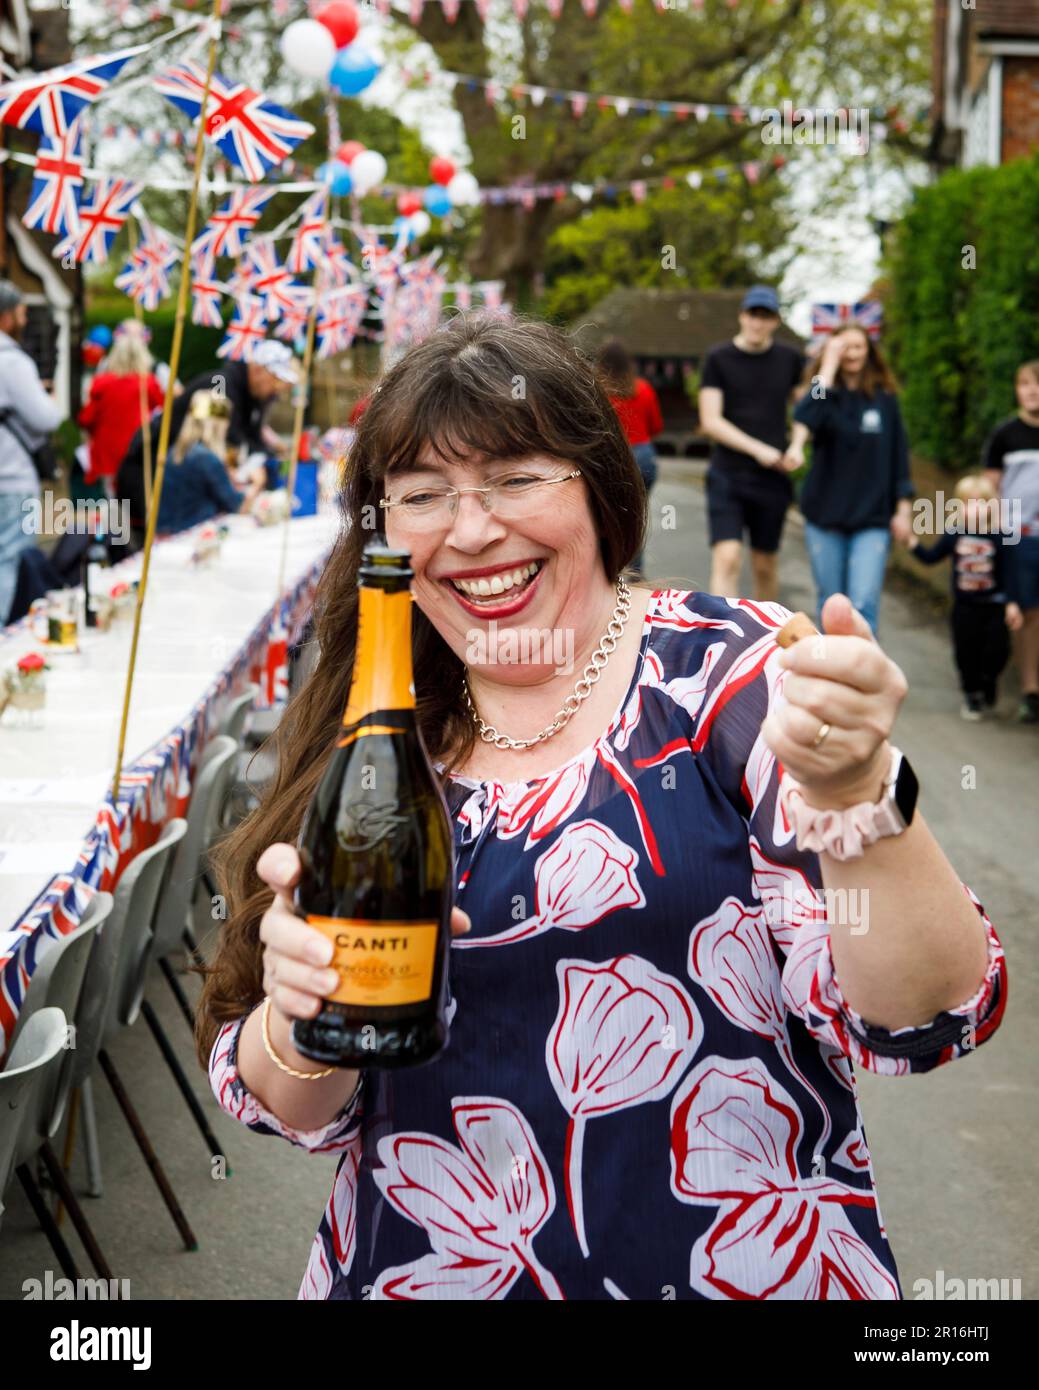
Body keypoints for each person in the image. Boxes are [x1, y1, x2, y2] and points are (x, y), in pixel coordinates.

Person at [194, 314, 1005, 1302]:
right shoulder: (373, 715)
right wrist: (300, 1014)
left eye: (514, 478)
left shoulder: (731, 674)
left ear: (599, 483)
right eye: (422, 494)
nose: (471, 528)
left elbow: (920, 1018)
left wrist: (855, 796)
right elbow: (288, 1106)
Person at [786, 326, 914, 636]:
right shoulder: (824, 395)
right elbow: (805, 415)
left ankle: (863, 678)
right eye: (845, 348)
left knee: (863, 603)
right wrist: (827, 366)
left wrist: (904, 508)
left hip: (872, 517)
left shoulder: (884, 398)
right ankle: (833, 677)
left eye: (859, 347)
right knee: (832, 606)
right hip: (825, 515)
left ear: (869, 351)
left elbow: (899, 454)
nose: (853, 354)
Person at [117, 339, 299, 532]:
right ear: (257, 370)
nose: (277, 388)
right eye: (275, 379)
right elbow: (222, 434)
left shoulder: (251, 395)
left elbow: (245, 439)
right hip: (147, 470)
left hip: (172, 471)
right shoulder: (222, 385)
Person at [698, 285, 805, 602]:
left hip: (772, 478)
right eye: (753, 315)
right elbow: (711, 419)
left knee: (765, 564)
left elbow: (804, 408)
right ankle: (723, 639)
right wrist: (758, 450)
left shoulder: (790, 359)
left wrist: (798, 444)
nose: (758, 323)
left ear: (775, 321)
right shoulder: (718, 358)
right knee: (728, 557)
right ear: (742, 316)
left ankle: (767, 642)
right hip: (727, 474)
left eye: (766, 316)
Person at [901, 475, 1022, 720]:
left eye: (980, 502)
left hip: (994, 605)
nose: (973, 509)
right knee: (966, 653)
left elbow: (1010, 571)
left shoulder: (1000, 537)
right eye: (967, 503)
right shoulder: (954, 534)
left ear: (992, 506)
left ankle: (988, 680)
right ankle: (972, 695)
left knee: (998, 650)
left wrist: (1012, 603)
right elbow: (931, 557)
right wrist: (912, 543)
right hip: (965, 607)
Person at [0, 280, 62, 625]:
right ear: (6, 317)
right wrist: (45, 394)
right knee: (10, 563)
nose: (24, 320)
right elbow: (46, 417)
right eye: (22, 313)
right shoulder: (11, 360)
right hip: (11, 478)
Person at [982, 359, 1039, 723]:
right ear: (1017, 390)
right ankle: (1030, 691)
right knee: (1027, 614)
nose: (1032, 391)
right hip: (1019, 537)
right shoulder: (1005, 435)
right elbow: (990, 490)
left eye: (1038, 384)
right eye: (1025, 384)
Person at [595, 338, 663, 575]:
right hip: (644, 455)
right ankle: (635, 572)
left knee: (610, 516)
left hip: (613, 457)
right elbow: (656, 425)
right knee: (636, 516)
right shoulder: (643, 388)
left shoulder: (598, 391)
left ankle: (611, 567)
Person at [156, 390, 264, 535]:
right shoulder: (206, 458)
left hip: (167, 534)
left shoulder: (175, 451)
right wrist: (257, 483)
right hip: (189, 536)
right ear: (218, 424)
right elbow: (237, 506)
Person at [77, 321, 164, 496]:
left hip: (108, 454)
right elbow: (162, 411)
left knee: (114, 502)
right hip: (138, 451)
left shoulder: (102, 383)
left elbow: (85, 419)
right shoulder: (148, 383)